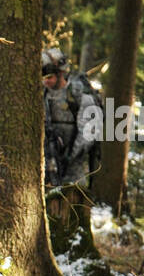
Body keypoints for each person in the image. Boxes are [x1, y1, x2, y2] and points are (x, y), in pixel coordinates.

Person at [41, 47, 102, 187]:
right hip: (47, 165)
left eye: (49, 77)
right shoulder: (42, 95)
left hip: (74, 168)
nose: (46, 82)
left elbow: (88, 134)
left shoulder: (79, 95)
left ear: (61, 73)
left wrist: (68, 157)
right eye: (43, 77)